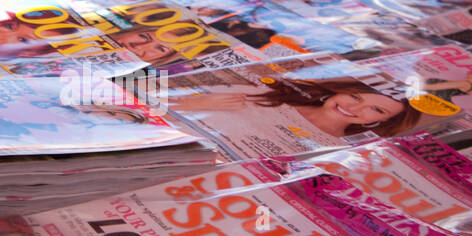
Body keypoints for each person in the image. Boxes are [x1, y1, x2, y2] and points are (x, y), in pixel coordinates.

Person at [171, 77, 423, 140]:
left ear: (378, 122)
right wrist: (193, 103)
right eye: (355, 96)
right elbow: (156, 100)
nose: (352, 106)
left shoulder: (334, 150)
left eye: (376, 110)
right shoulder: (272, 94)